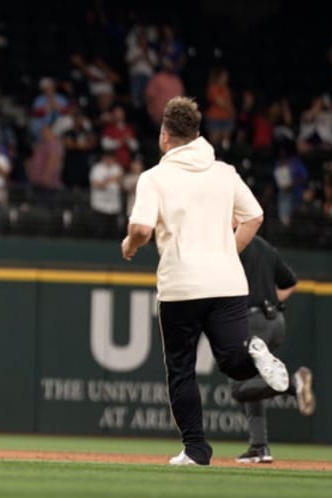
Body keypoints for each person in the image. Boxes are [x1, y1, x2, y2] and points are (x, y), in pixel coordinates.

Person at [121, 97, 288, 466]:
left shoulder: (154, 177)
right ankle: (255, 352)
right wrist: (228, 249)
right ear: (197, 135)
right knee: (232, 361)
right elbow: (255, 217)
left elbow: (141, 228)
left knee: (181, 369)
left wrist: (129, 244)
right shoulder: (224, 172)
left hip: (181, 286)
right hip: (226, 283)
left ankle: (196, 449)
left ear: (165, 136)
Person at [232, 236, 317, 464]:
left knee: (239, 388)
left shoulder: (232, 242)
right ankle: (259, 447)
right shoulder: (264, 246)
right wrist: (269, 300)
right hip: (275, 321)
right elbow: (289, 282)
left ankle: (293, 383)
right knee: (252, 383)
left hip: (251, 321)